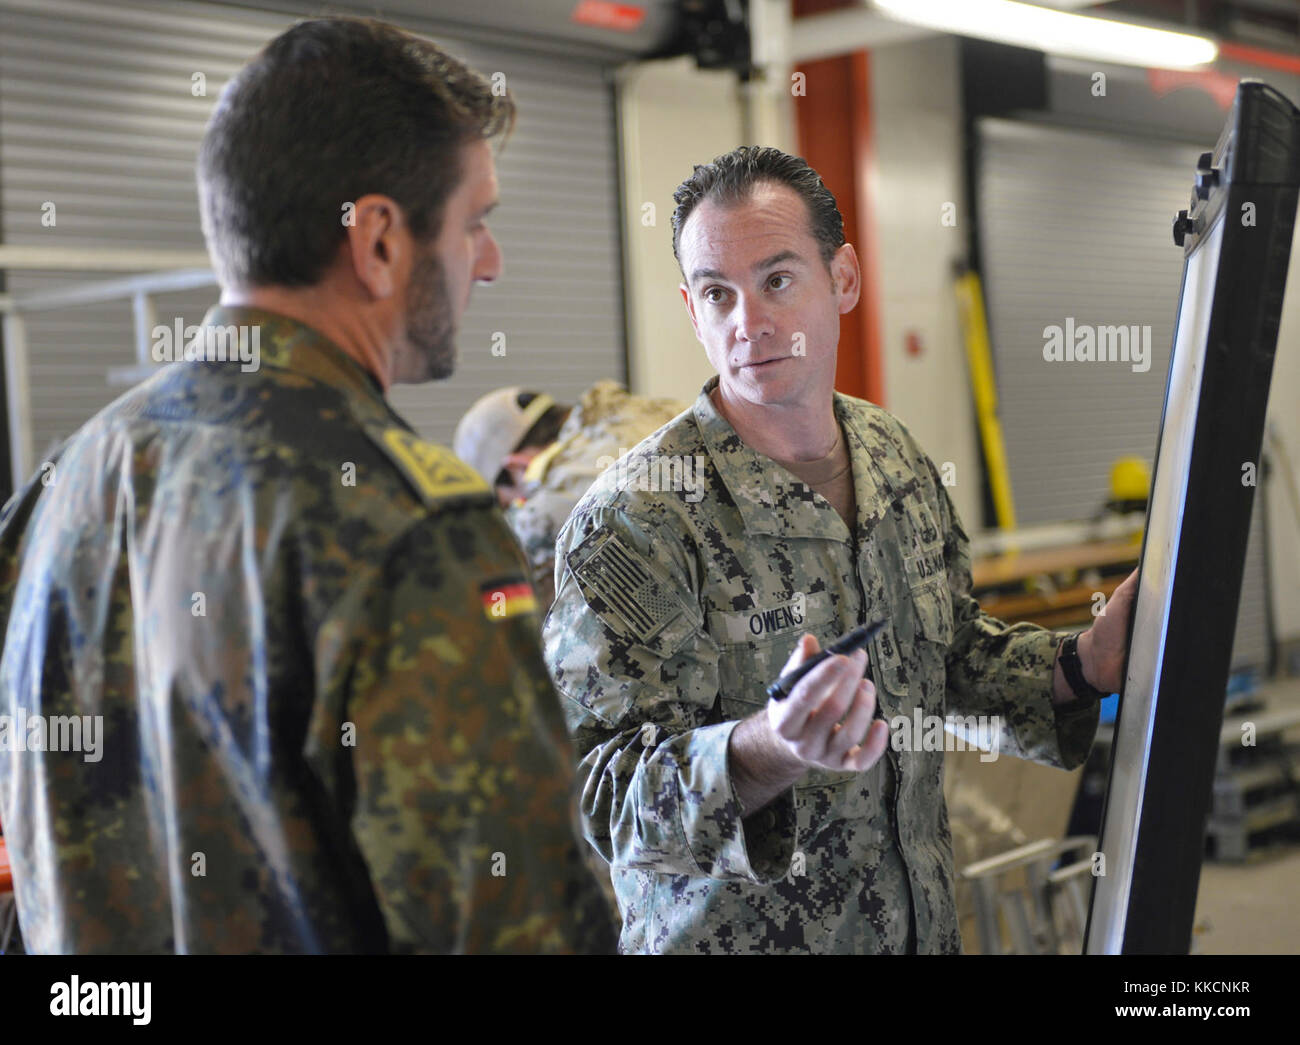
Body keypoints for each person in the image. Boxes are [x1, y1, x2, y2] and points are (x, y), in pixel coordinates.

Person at [0, 17, 615, 955]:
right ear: (375, 241)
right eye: (475, 222)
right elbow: (510, 925)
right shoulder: (408, 527)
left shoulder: (66, 480)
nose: (488, 261)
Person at [543, 146, 1136, 954]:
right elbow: (597, 792)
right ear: (692, 310)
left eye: (777, 279)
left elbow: (949, 662)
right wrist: (769, 748)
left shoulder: (892, 455)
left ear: (844, 279)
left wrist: (1082, 665)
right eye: (718, 294)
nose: (747, 321)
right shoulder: (638, 519)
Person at [455, 382, 686, 607]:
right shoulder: (641, 411)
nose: (521, 504)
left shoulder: (562, 491)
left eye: (509, 501)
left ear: (517, 466)